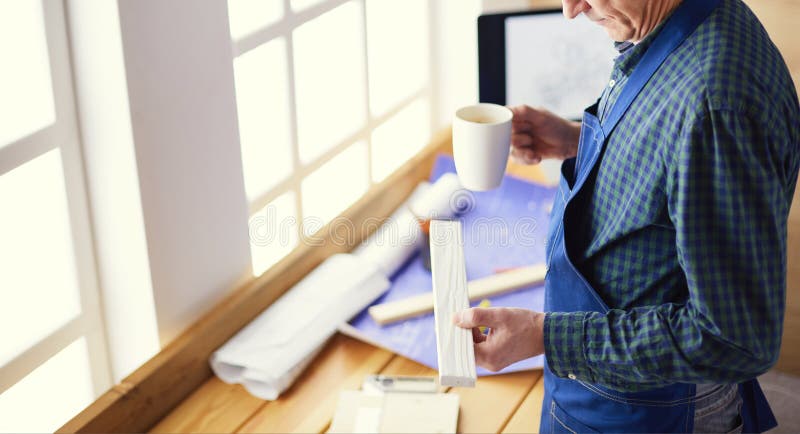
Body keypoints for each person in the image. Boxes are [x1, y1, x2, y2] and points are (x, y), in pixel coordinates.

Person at [453, 0, 800, 432]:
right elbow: (675, 164)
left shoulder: (717, 103)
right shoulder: (675, 24)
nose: (571, 10)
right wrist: (576, 141)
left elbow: (733, 338)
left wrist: (545, 337)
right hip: (605, 388)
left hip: (656, 408)